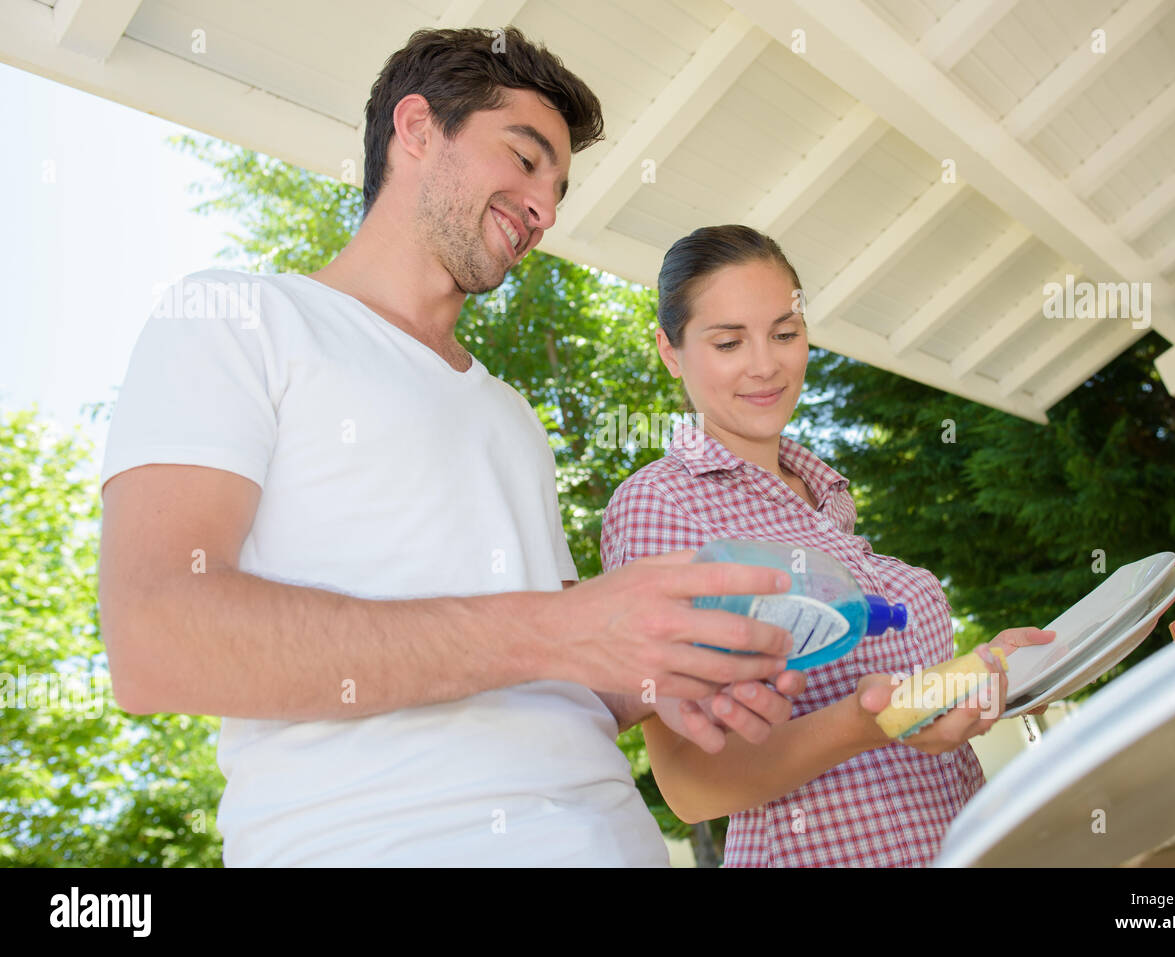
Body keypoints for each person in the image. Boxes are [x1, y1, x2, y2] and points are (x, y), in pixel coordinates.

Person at [96, 29, 808, 867]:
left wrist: (663, 673)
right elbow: (155, 636)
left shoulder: (510, 414)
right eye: (525, 157)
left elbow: (548, 666)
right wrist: (557, 627)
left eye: (559, 187)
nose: (544, 207)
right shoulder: (237, 319)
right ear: (417, 128)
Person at [600, 224, 1055, 867]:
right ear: (671, 353)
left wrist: (983, 669)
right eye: (729, 341)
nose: (766, 364)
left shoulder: (828, 498)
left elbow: (908, 698)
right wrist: (866, 722)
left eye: (785, 333)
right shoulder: (662, 503)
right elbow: (691, 785)